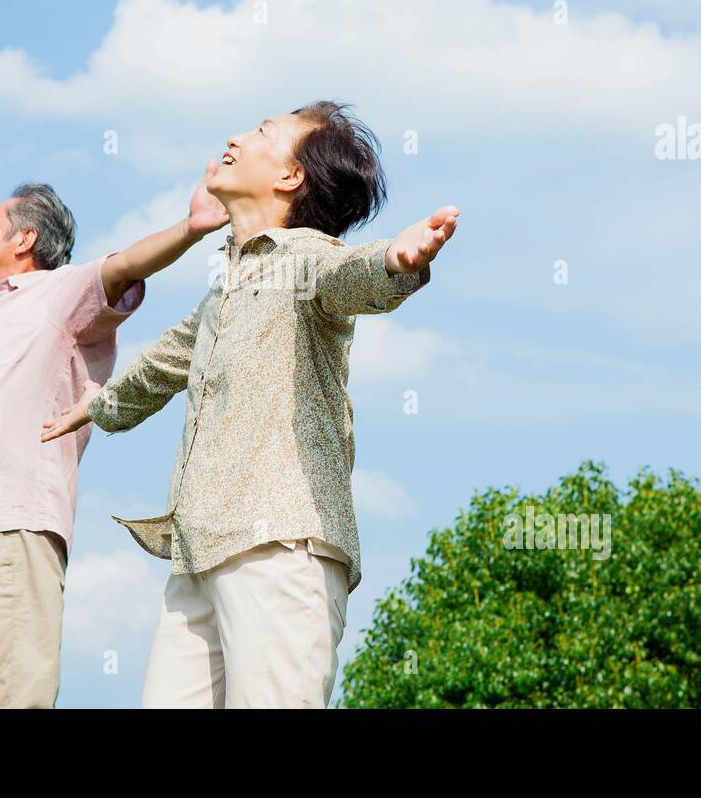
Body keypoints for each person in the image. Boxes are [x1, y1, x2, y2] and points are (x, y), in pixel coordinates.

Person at [40, 101, 459, 707]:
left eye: (262, 133)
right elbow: (163, 363)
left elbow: (353, 274)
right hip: (197, 557)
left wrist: (396, 261)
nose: (234, 136)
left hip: (280, 548)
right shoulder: (227, 287)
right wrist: (98, 406)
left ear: (291, 177)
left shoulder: (304, 255)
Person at [0, 172, 228, 708]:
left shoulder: (59, 292)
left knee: (9, 696)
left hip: (9, 523)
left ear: (24, 240)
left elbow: (122, 267)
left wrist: (190, 229)